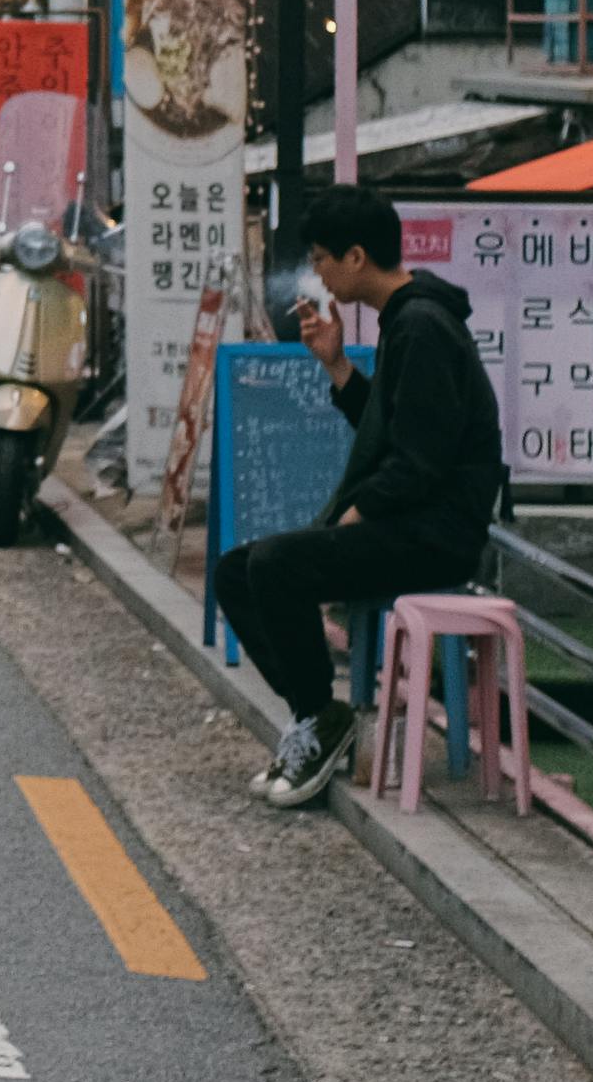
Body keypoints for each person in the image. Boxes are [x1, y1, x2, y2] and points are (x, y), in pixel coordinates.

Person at [213, 188, 507, 808]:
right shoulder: (410, 320)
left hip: (436, 535)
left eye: (322, 258)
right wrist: (337, 366)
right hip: (413, 522)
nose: (317, 271)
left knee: (273, 564)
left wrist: (357, 512)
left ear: (355, 256)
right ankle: (318, 716)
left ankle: (322, 722)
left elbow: (418, 462)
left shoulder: (423, 327)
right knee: (236, 571)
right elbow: (391, 430)